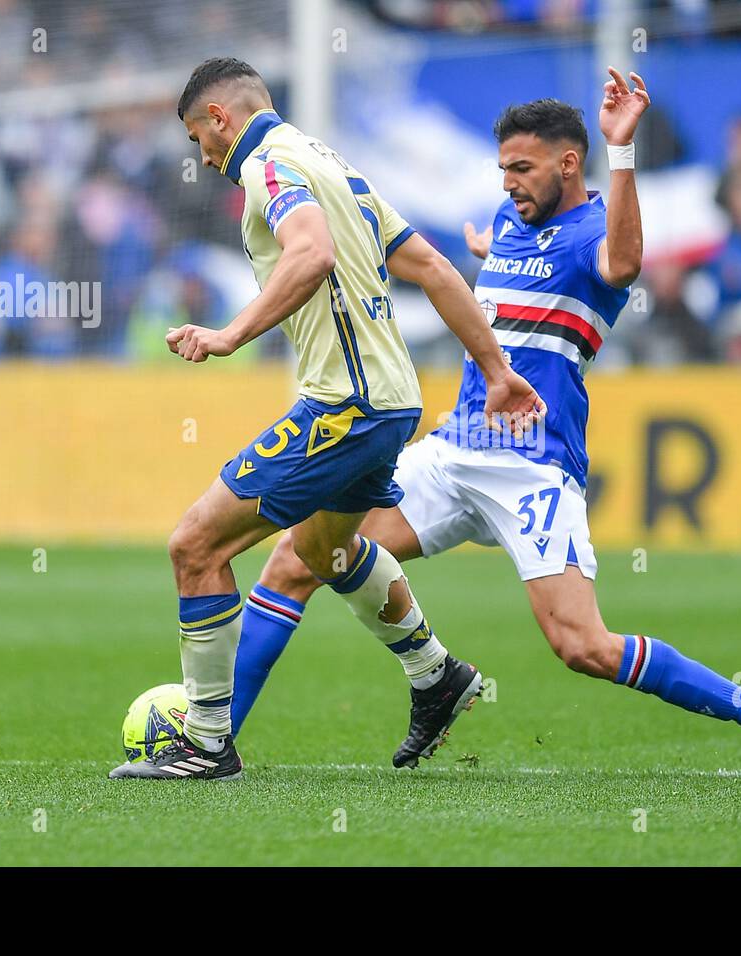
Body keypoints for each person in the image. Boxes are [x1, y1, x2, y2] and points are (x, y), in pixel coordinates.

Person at [230, 72, 741, 780]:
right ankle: (226, 741)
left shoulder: (596, 235)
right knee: (305, 555)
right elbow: (515, 275)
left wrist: (622, 151)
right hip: (455, 448)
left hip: (531, 464)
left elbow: (622, 262)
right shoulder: (512, 229)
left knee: (582, 645)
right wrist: (493, 255)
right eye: (502, 171)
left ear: (568, 164)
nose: (509, 184)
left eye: (521, 169)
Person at [109, 57, 544, 780]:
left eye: (198, 138)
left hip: (344, 405)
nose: (204, 157)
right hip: (391, 403)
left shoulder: (268, 166)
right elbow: (434, 267)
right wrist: (496, 372)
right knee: (326, 553)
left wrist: (228, 334)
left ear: (220, 119)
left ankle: (207, 744)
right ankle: (436, 674)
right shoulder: (336, 166)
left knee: (194, 546)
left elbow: (311, 253)